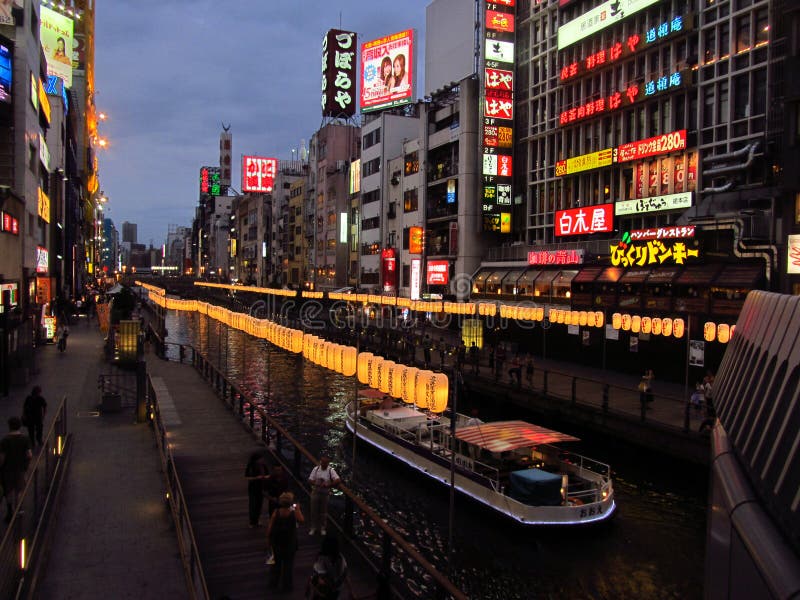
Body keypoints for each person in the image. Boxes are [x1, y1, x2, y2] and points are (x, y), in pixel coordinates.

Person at [266, 491, 304, 592]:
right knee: (288, 565)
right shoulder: (293, 513)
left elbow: (269, 529)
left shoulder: (276, 512)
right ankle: (287, 585)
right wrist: (298, 509)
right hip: (290, 543)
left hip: (276, 543)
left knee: (275, 565)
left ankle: (273, 583)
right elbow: (302, 520)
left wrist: (268, 541)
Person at [0, 417, 33, 523]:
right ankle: (19, 509)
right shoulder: (25, 439)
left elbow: (2, 458)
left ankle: (10, 510)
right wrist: (26, 465)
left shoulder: (4, 440)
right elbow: (29, 454)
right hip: (21, 469)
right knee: (19, 490)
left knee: (8, 490)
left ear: (9, 426)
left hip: (7, 470)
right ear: (19, 426)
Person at [307, 534, 353, 600]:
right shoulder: (340, 558)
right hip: (330, 590)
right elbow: (345, 575)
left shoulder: (323, 558)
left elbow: (315, 574)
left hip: (327, 590)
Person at [308, 456, 340, 536]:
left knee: (323, 512)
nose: (324, 464)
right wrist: (316, 483)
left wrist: (328, 484)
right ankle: (313, 527)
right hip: (316, 492)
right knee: (313, 510)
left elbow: (338, 480)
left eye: (325, 463)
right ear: (320, 462)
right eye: (323, 463)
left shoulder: (330, 470)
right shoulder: (316, 469)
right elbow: (310, 480)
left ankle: (322, 528)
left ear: (328, 463)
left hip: (325, 493)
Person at [244, 451, 268, 528]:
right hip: (253, 487)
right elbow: (246, 477)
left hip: (262, 487)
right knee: (253, 505)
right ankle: (252, 522)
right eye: (261, 459)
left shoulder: (263, 465)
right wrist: (256, 478)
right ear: (256, 460)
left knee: (259, 504)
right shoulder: (251, 466)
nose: (262, 460)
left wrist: (265, 477)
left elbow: (268, 475)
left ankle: (257, 520)